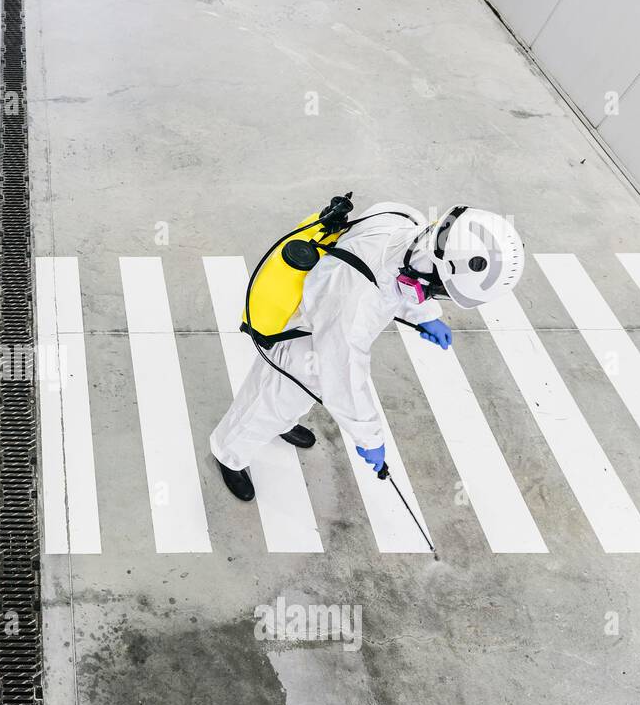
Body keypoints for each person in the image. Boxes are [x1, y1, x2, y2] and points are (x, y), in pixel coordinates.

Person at [211, 201, 524, 501]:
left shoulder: (402, 220)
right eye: (441, 290)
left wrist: (425, 315)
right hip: (301, 341)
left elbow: (407, 274)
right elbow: (344, 379)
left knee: (295, 400)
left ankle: (282, 423)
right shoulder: (358, 306)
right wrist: (370, 439)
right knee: (269, 403)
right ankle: (228, 452)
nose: (438, 295)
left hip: (327, 320)